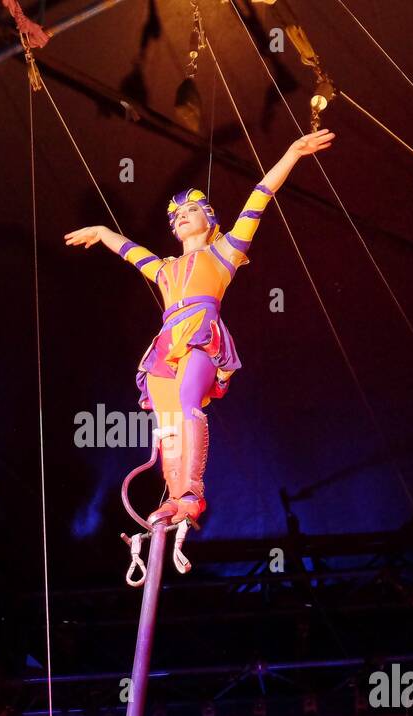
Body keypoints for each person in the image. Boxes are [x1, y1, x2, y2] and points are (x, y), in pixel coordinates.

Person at [65, 128, 334, 526]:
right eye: (175, 216)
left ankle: (193, 492)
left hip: (201, 335)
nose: (180, 217)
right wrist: (103, 232)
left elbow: (259, 196)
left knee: (190, 400)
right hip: (166, 343)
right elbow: (130, 253)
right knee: (167, 421)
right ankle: (175, 496)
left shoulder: (224, 252)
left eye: (190, 210)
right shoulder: (165, 269)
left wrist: (292, 152)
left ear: (208, 219)